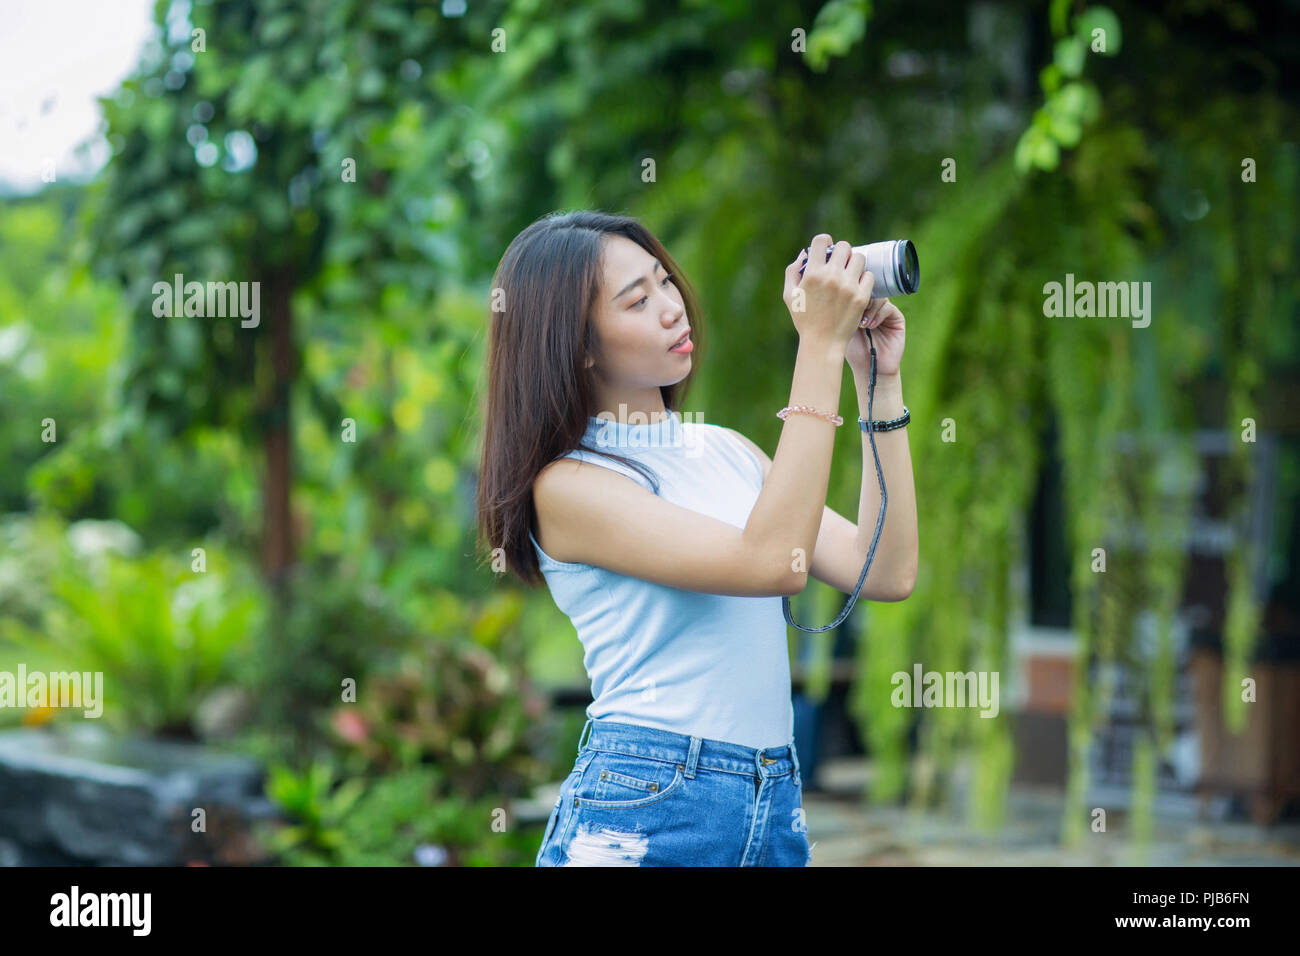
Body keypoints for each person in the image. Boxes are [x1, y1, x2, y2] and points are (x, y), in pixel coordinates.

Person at [474, 210, 918, 865]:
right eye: (636, 299)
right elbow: (774, 562)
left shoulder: (728, 452)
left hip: (772, 797)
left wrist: (875, 379)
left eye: (664, 281)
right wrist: (817, 347)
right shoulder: (567, 487)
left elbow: (884, 571)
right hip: (647, 804)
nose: (670, 307)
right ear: (581, 345)